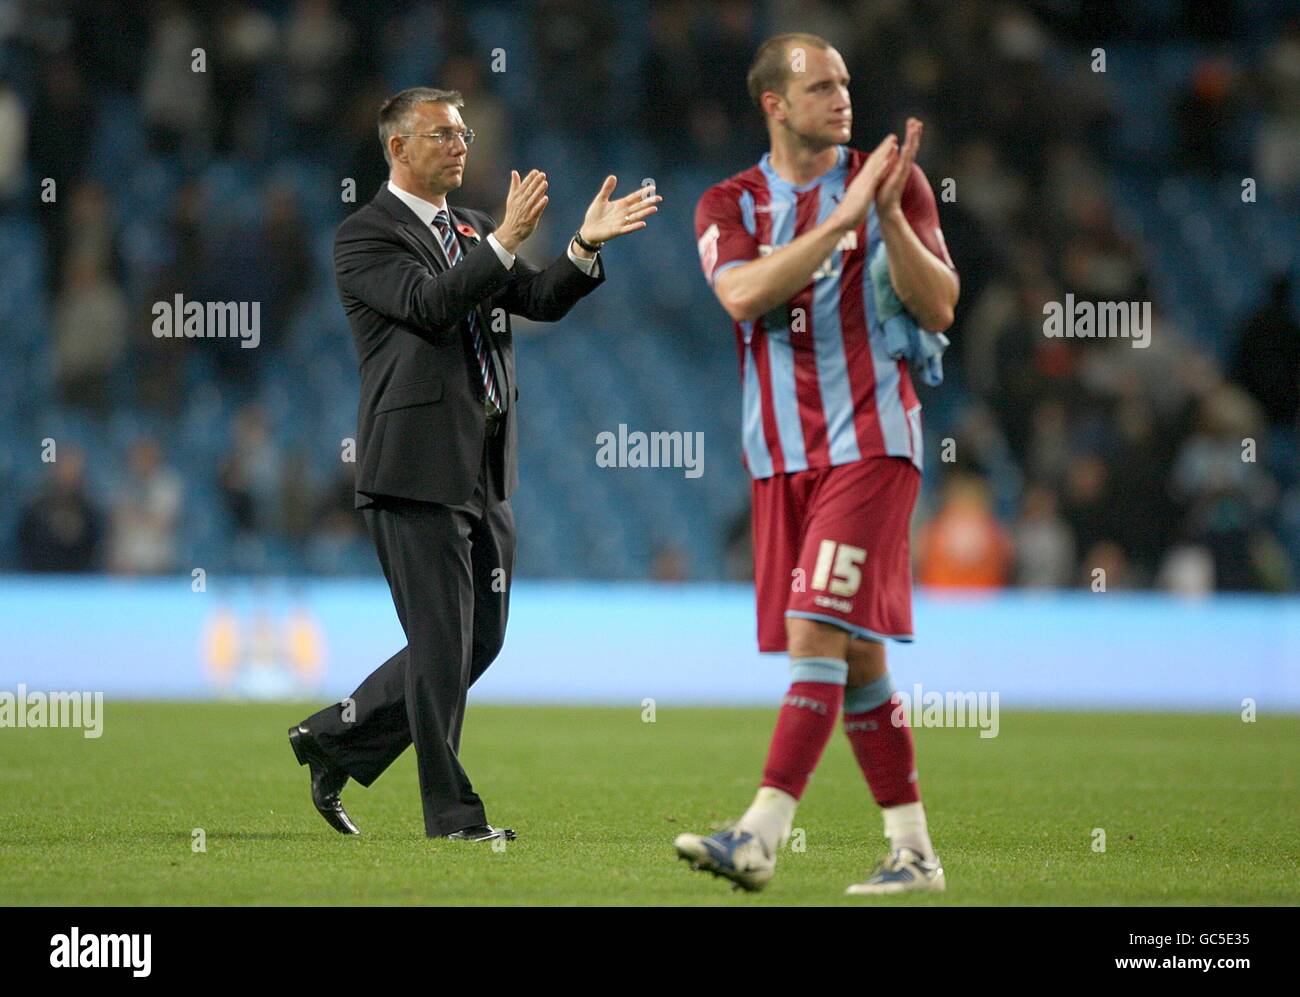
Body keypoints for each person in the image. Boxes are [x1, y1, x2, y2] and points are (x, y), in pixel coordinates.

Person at [289, 87, 660, 842]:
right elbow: (428, 306)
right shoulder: (364, 237)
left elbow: (538, 300)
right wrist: (500, 246)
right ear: (397, 147)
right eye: (443, 133)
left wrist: (582, 247)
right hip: (412, 466)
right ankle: (452, 819)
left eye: (463, 132)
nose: (461, 143)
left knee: (474, 641)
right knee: (441, 643)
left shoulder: (474, 227)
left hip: (486, 470)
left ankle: (336, 737)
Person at [675, 34, 959, 894]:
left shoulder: (894, 183)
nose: (842, 99)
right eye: (822, 86)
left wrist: (881, 220)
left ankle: (760, 832)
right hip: (780, 459)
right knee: (859, 657)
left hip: (873, 444)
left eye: (846, 84)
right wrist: (839, 222)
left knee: (816, 628)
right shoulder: (728, 203)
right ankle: (914, 853)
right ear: (775, 103)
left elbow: (942, 300)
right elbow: (741, 294)